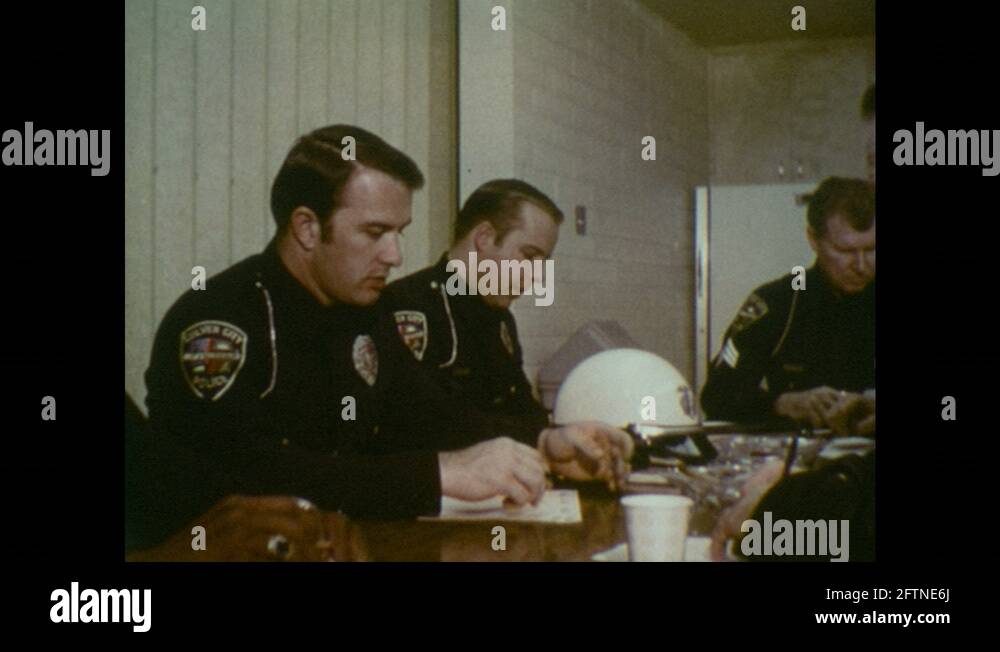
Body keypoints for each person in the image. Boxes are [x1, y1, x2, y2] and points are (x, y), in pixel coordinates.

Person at [142, 126, 630, 540]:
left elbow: (431, 415)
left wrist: (546, 442)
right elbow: (247, 475)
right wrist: (441, 473)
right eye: (375, 233)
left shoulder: (362, 311)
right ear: (308, 228)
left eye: (401, 232)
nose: (396, 256)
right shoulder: (220, 319)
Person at [379, 179, 558, 448]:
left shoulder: (500, 320)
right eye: (529, 256)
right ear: (484, 237)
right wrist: (540, 439)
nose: (536, 276)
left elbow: (521, 405)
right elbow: (425, 421)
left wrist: (563, 437)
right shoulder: (409, 306)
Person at [700, 177, 875, 432]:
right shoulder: (781, 300)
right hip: (802, 459)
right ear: (813, 240)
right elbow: (717, 396)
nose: (861, 266)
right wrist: (782, 403)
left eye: (871, 249)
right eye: (845, 251)